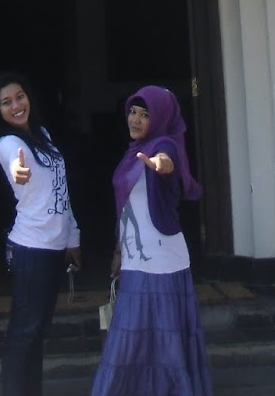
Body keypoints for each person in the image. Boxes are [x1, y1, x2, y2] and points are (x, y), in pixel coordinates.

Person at [90, 85, 213, 396]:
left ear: (160, 118)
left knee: (158, 339)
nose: (136, 119)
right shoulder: (133, 153)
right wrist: (119, 250)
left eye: (145, 114)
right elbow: (127, 208)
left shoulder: (165, 145)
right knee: (135, 338)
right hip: (135, 258)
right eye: (133, 111)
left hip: (161, 259)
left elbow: (166, 160)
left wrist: (161, 164)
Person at [0, 71, 81, 396]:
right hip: (30, 249)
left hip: (53, 247)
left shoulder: (42, 133)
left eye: (19, 97)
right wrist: (17, 171)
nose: (16, 106)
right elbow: (15, 164)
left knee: (38, 333)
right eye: (6, 102)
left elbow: (60, 190)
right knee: (23, 333)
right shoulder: (8, 143)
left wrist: (73, 237)